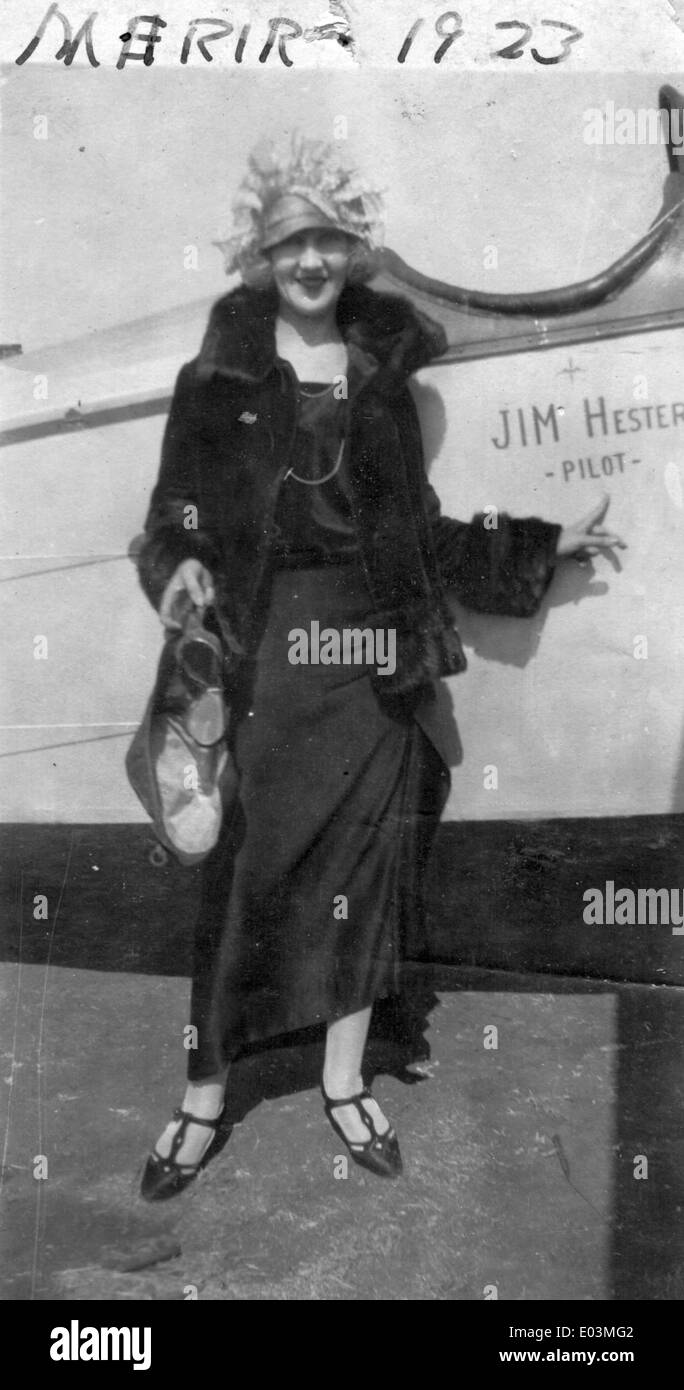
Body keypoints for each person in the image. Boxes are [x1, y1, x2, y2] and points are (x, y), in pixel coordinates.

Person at [135, 135, 625, 1200]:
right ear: (260, 254)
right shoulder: (214, 380)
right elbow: (170, 518)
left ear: (351, 248)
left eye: (327, 238)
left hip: (374, 661)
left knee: (363, 877)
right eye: (288, 241)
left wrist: (544, 543)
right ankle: (204, 1095)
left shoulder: (379, 375)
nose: (309, 258)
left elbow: (426, 533)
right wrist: (176, 571)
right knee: (242, 876)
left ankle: (346, 1078)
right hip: (268, 656)